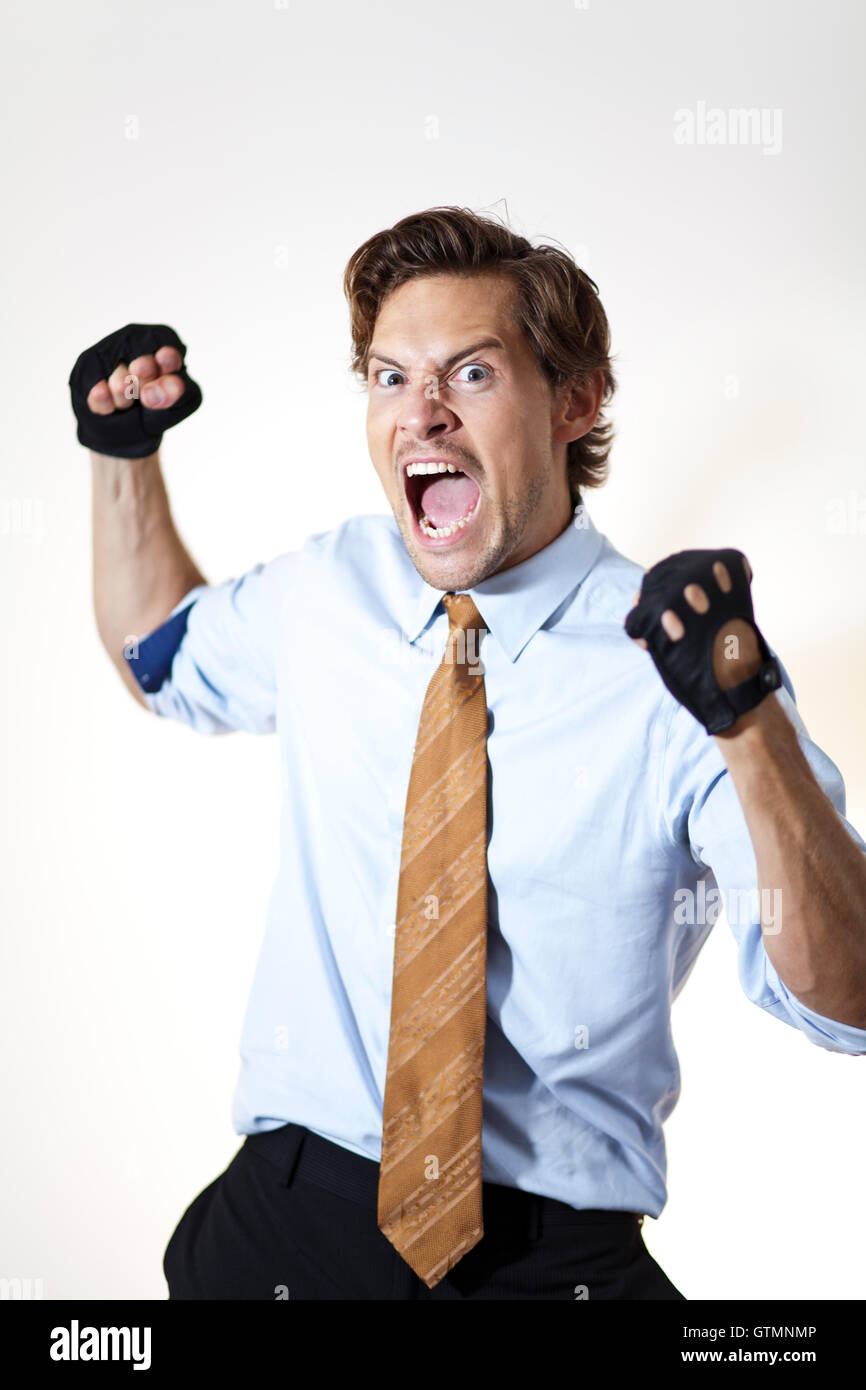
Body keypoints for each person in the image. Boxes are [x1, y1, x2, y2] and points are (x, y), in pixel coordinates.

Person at [69, 206, 866, 1302]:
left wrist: (752, 725)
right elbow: (160, 657)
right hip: (290, 1226)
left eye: (471, 375)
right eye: (390, 379)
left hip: (549, 1258)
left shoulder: (675, 666)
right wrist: (124, 458)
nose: (421, 415)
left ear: (573, 401)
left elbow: (848, 996)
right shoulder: (329, 589)